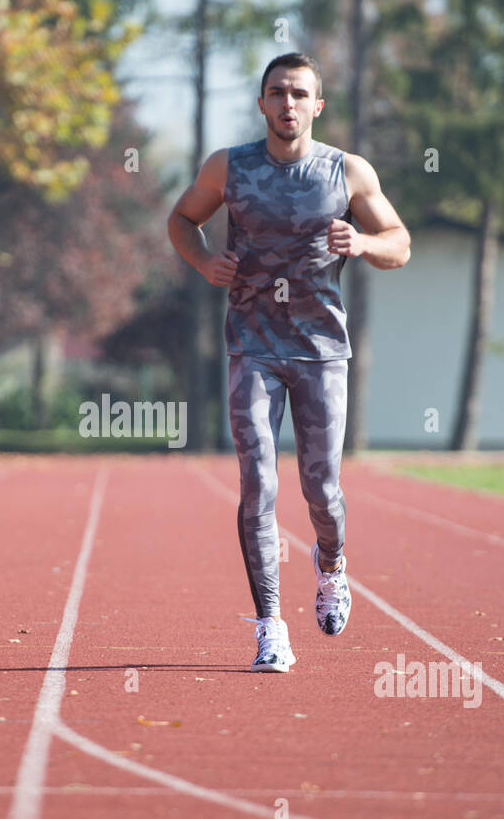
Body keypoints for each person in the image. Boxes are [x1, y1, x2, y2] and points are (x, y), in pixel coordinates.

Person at [168, 52, 410, 672]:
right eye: (277, 92)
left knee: (322, 490)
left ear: (317, 105)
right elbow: (181, 219)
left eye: (300, 93)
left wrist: (360, 240)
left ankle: (331, 567)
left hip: (322, 352)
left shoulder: (346, 172)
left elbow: (400, 244)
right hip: (252, 345)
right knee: (258, 483)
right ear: (261, 104)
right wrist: (203, 263)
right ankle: (270, 625)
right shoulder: (230, 167)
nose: (288, 104)